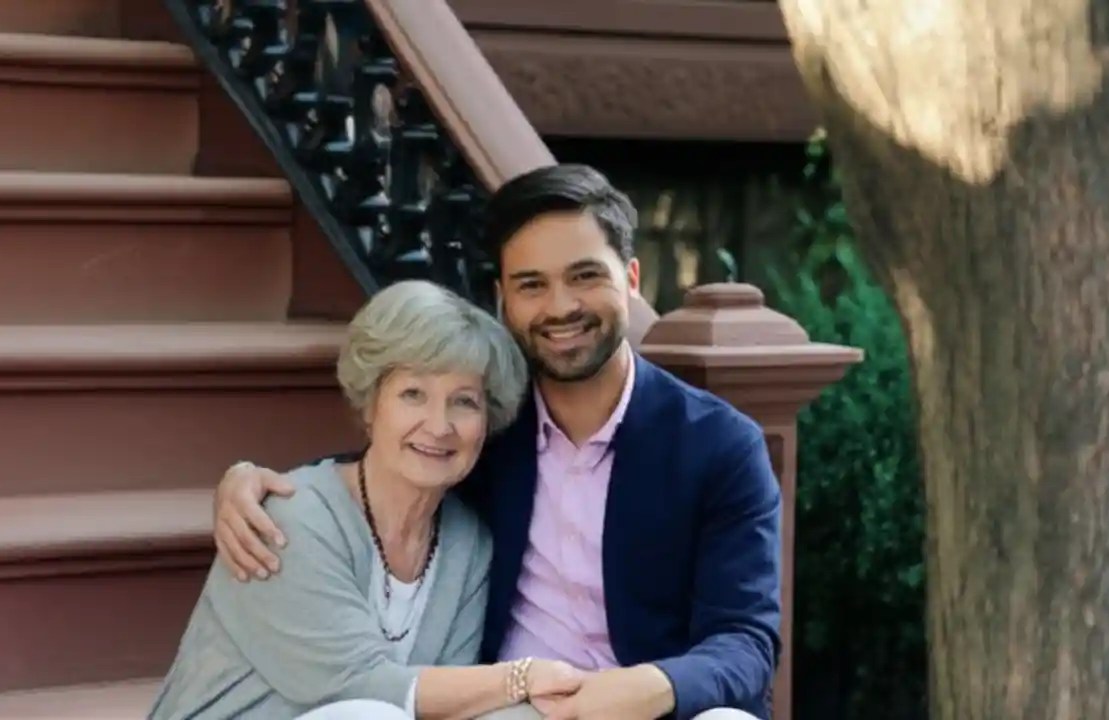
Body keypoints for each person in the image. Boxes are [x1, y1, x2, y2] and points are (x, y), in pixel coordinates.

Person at [214, 164, 783, 720]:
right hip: (511, 707)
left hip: (648, 707)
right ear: (502, 299)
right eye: (532, 285)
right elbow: (398, 460)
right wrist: (258, 484)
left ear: (631, 279)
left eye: (585, 276)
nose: (560, 307)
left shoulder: (717, 445)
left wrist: (654, 686)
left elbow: (746, 639)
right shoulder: (487, 427)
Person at [149, 280, 589, 719]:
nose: (439, 426)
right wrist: (522, 678)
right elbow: (356, 686)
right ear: (370, 405)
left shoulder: (467, 543)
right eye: (413, 394)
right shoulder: (292, 519)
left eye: (464, 402)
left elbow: (452, 701)